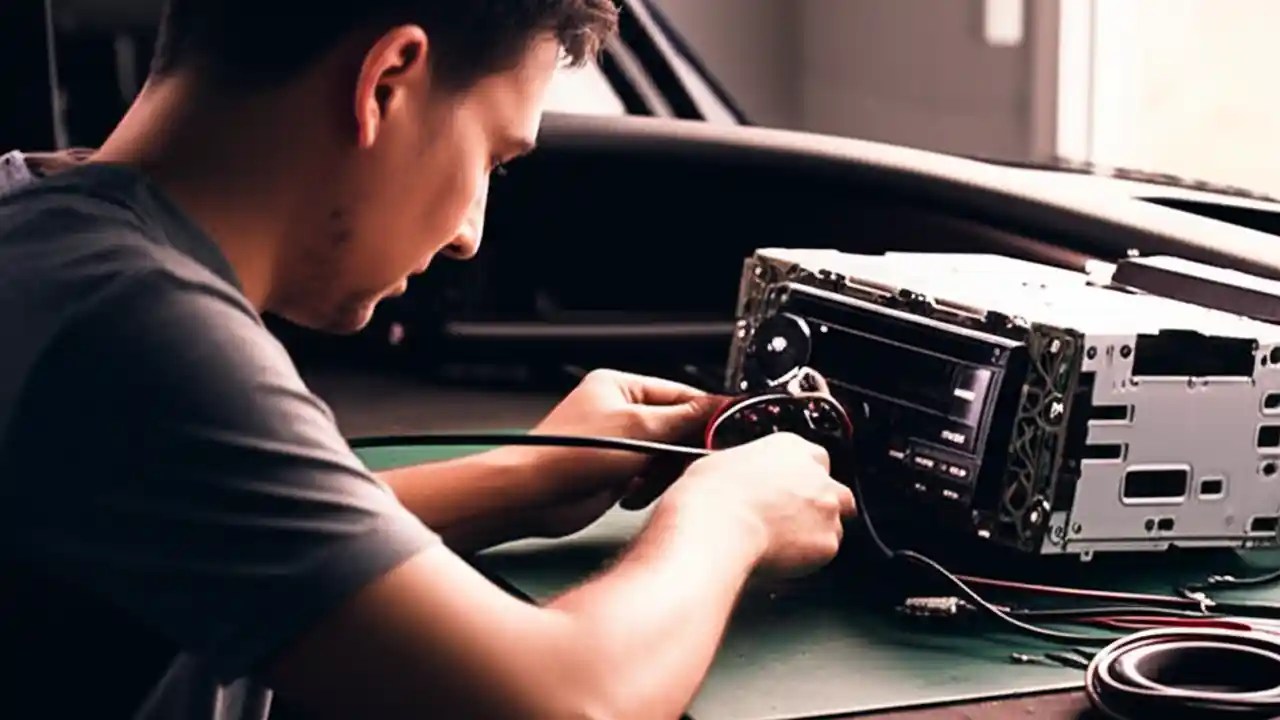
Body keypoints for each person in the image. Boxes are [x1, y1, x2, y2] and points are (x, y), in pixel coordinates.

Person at [0, 2, 855, 719]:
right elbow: (570, 701)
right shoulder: (137, 330)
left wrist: (524, 477)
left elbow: (218, 518)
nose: (468, 234)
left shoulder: (40, 227)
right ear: (387, 83)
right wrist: (729, 516)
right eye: (492, 157)